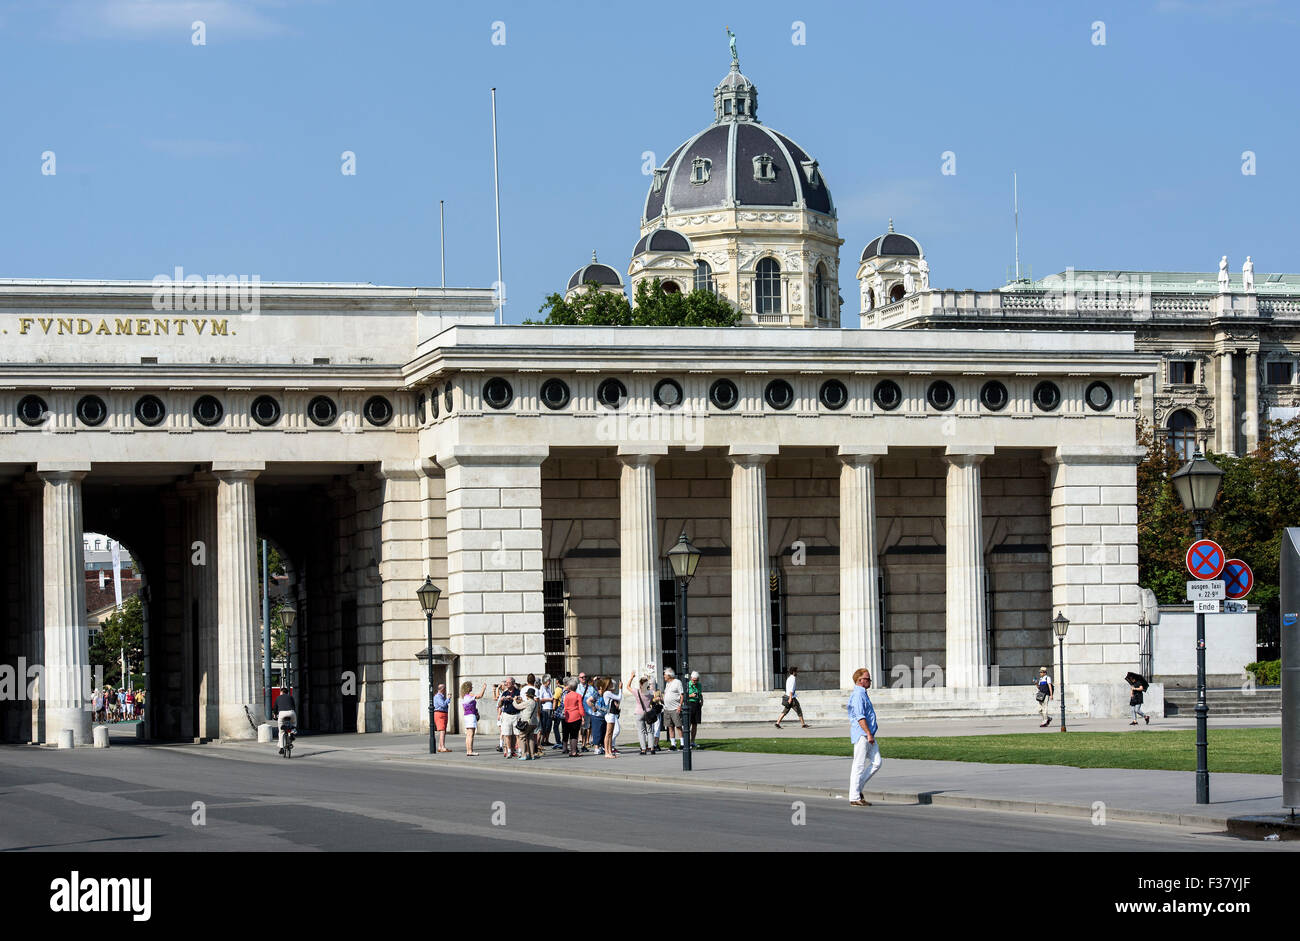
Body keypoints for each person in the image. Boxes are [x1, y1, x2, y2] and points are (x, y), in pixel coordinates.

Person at [847, 667, 882, 806]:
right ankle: (854, 797)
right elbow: (860, 717)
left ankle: (857, 789)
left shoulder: (863, 693)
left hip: (869, 734)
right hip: (863, 734)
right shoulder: (858, 695)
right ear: (860, 680)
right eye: (868, 679)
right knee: (858, 765)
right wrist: (868, 733)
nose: (870, 681)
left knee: (877, 762)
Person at [631, 672, 657, 755]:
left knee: (641, 731)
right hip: (648, 712)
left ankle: (643, 749)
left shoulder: (637, 691)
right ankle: (652, 748)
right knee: (650, 731)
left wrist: (632, 677)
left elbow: (627, 686)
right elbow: (655, 696)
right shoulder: (650, 693)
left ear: (640, 684)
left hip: (638, 712)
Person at [460, 681, 487, 755]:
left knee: (468, 734)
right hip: (471, 716)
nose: (472, 687)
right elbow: (480, 696)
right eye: (471, 686)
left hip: (466, 715)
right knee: (471, 734)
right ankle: (470, 751)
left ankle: (468, 750)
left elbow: (464, 708)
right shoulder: (470, 696)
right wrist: (484, 688)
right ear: (468, 687)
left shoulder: (464, 697)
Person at [514, 687, 540, 760]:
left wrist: (514, 700)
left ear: (527, 695)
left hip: (526, 722)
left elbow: (517, 707)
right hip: (534, 722)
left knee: (522, 737)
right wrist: (522, 701)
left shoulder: (528, 702)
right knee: (531, 737)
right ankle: (532, 755)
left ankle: (524, 754)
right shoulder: (535, 702)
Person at [497, 677, 521, 759]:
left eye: (508, 682)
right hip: (506, 715)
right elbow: (499, 705)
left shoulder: (518, 692)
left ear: (513, 683)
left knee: (517, 734)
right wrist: (501, 700)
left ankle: (519, 751)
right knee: (507, 734)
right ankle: (509, 751)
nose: (507, 684)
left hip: (516, 715)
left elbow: (520, 701)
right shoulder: (504, 692)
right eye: (506, 682)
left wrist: (512, 699)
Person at [662, 668, 685, 750]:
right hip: (667, 709)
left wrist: (680, 706)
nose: (664, 676)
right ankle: (673, 744)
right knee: (670, 727)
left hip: (675, 708)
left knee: (678, 726)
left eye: (665, 674)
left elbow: (682, 695)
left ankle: (682, 743)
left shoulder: (677, 682)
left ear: (669, 675)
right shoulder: (667, 683)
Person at [562, 678, 584, 757]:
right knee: (574, 735)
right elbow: (580, 707)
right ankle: (573, 751)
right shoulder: (578, 695)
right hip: (576, 716)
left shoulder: (566, 696)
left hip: (568, 717)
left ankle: (571, 751)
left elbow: (565, 706)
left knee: (569, 734)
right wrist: (582, 716)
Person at [273, 685, 297, 755]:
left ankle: (281, 748)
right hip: (291, 712)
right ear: (287, 692)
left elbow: (275, 708)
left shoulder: (278, 697)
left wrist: (274, 715)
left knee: (281, 731)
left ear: (281, 692)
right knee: (294, 724)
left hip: (282, 714)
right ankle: (292, 732)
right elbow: (294, 706)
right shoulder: (291, 697)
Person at [587, 676, 608, 755]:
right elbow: (588, 700)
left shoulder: (605, 694)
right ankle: (596, 748)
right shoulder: (596, 694)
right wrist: (593, 707)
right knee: (597, 732)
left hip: (604, 715)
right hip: (596, 716)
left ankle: (602, 746)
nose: (601, 690)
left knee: (603, 731)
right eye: (600, 688)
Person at [602, 678, 623, 757]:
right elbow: (619, 697)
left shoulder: (608, 693)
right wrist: (620, 689)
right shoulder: (607, 693)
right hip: (609, 714)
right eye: (611, 684)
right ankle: (607, 752)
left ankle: (610, 750)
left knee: (610, 734)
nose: (613, 685)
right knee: (608, 733)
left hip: (612, 714)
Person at [575, 671, 592, 751]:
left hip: (588, 711)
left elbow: (595, 696)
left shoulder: (590, 687)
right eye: (582, 677)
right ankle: (575, 746)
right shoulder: (577, 687)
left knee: (585, 728)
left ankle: (584, 745)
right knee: (577, 728)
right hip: (578, 711)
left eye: (585, 677)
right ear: (579, 679)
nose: (584, 679)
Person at [432, 682, 451, 752]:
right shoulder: (438, 697)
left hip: (443, 714)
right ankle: (442, 747)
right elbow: (443, 705)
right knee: (442, 731)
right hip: (440, 714)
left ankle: (440, 746)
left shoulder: (441, 696)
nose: (445, 690)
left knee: (443, 731)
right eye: (444, 688)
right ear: (442, 689)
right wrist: (448, 699)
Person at [686, 670, 703, 746]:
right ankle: (686, 742)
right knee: (688, 724)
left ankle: (692, 741)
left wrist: (702, 700)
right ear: (691, 678)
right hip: (689, 703)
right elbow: (683, 696)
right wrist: (690, 695)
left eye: (696, 680)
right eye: (693, 680)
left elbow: (700, 694)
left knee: (695, 724)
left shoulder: (699, 685)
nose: (694, 682)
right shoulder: (687, 684)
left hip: (697, 704)